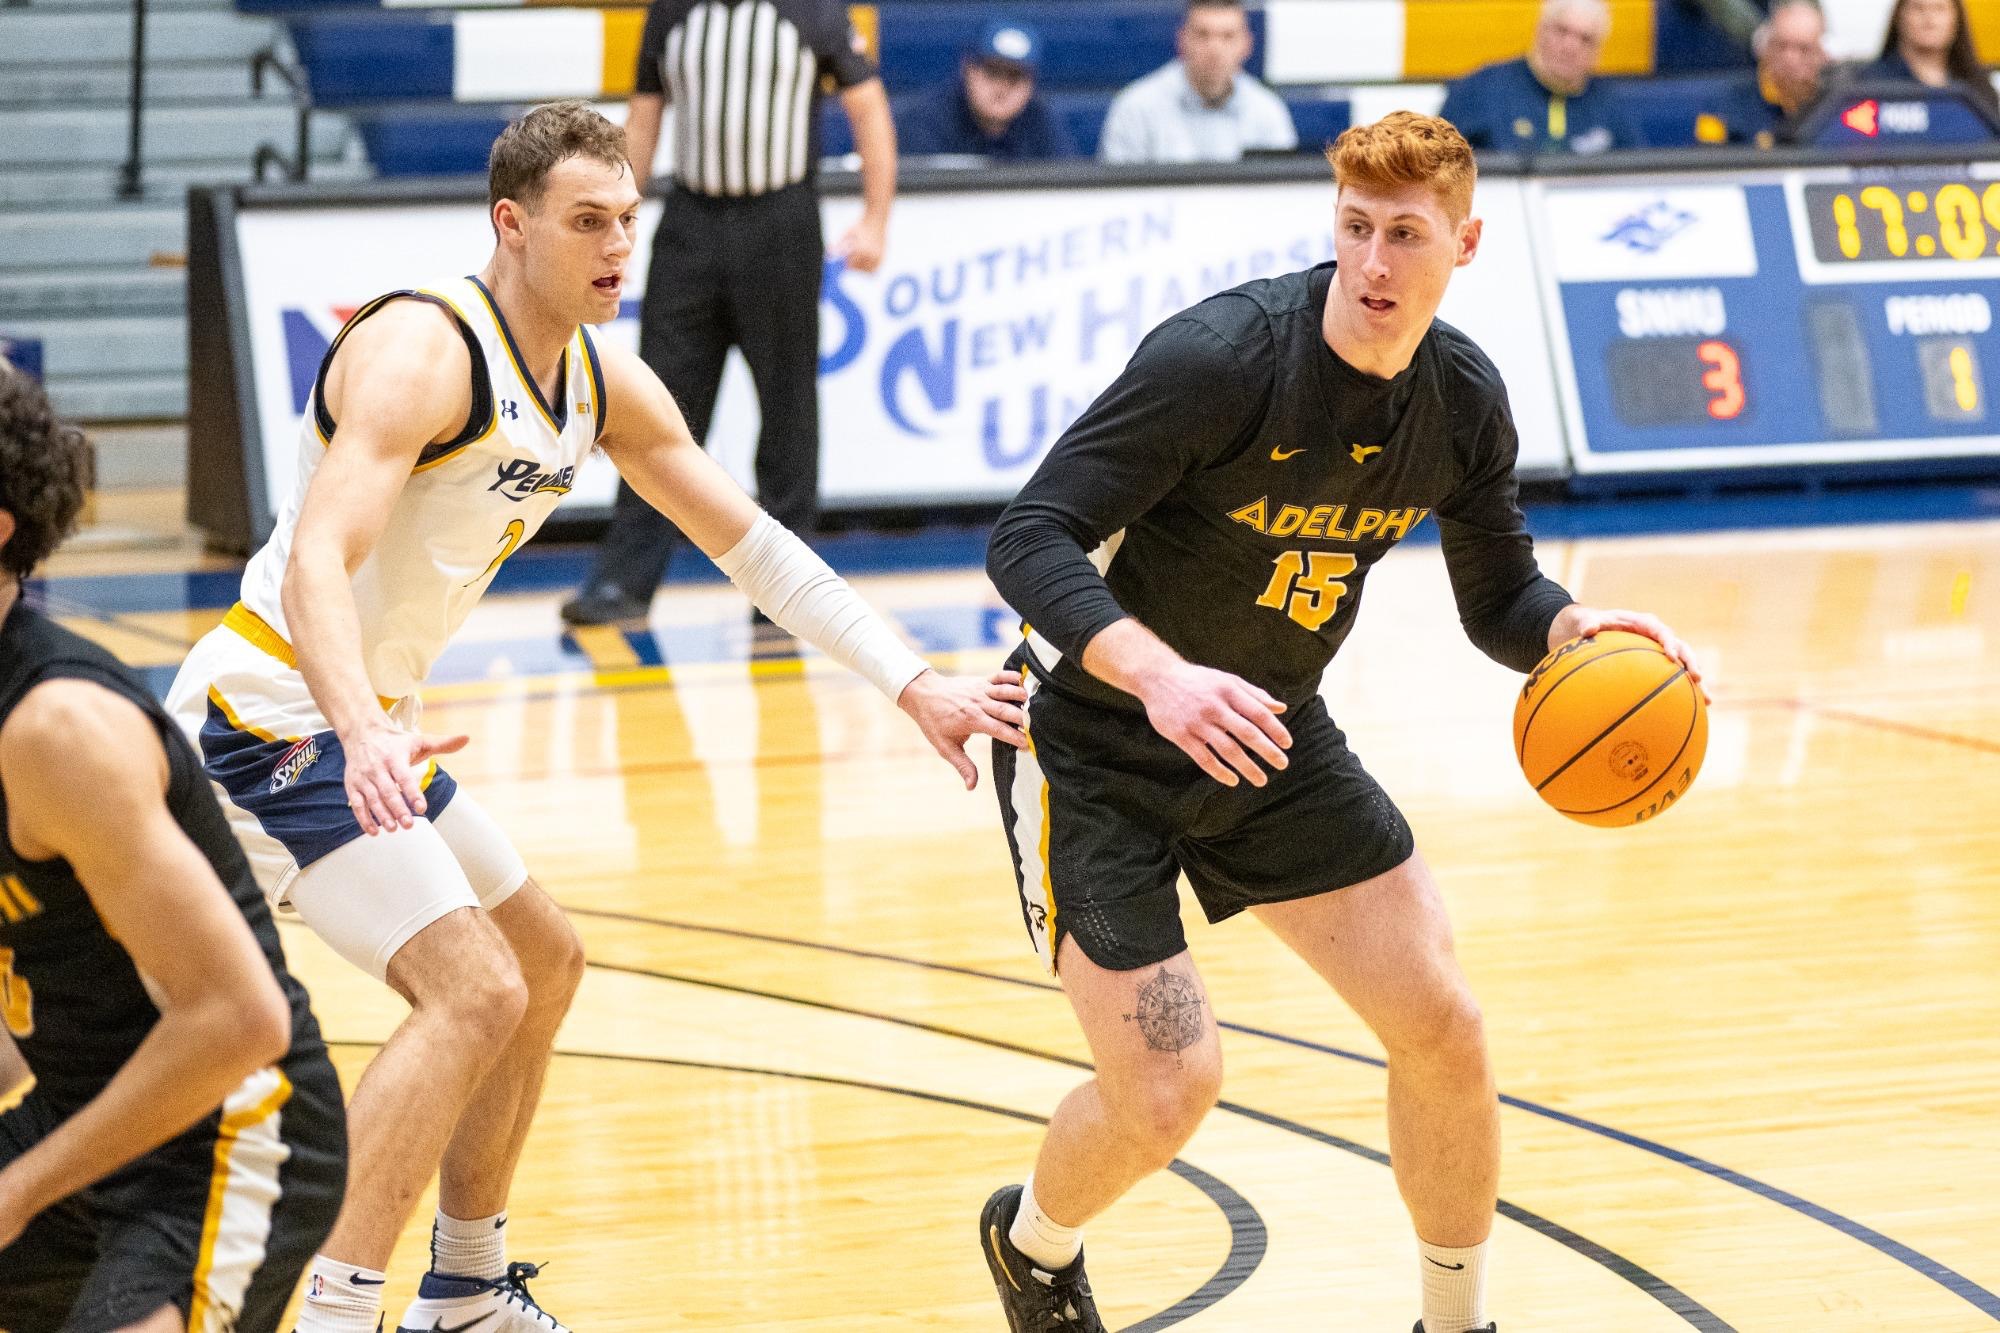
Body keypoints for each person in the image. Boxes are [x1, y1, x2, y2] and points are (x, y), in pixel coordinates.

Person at [164, 102, 1025, 1333]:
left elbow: (756, 548)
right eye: (586, 222)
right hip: (269, 717)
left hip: (363, 726)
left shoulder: (600, 376)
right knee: (471, 990)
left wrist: (913, 682)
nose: (616, 246)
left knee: (543, 961)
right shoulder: (423, 349)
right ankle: (336, 1308)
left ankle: (463, 1292)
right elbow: (315, 562)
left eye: (627, 220)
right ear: (509, 225)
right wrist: (360, 729)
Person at [977, 112, 1705, 1333]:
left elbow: (1500, 600)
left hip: (1266, 734)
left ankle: (1452, 1322)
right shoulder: (1221, 360)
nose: (1374, 263)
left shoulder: (1461, 401)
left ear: (1463, 245)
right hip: (1094, 741)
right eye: (1355, 229)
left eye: (1405, 236)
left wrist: (1567, 629)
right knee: (1167, 1089)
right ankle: (1035, 1241)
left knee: (1442, 1023)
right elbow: (1026, 535)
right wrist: (1159, 676)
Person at [0, 369, 347, 1333]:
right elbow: (36, 984)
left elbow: (243, 1017)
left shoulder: (57, 730)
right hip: (92, 1118)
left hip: (232, 1135)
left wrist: (19, 1188)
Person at [560, 0, 898, 626]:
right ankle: (623, 582)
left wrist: (876, 219)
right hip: (691, 222)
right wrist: (616, 223)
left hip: (782, 221)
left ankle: (787, 591)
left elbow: (867, 105)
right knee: (652, 406)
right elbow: (643, 120)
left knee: (788, 410)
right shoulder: (673, 10)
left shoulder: (811, 10)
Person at [1097, 0, 1297, 164]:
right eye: (1203, 35)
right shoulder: (1136, 108)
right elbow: (1117, 201)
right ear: (1182, 40)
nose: (1214, 49)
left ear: (1246, 45)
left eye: (1227, 36)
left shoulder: (1268, 110)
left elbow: (1281, 198)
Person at [1440, 0, 1640, 152]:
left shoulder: (1610, 104)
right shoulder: (1481, 89)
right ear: (1540, 30)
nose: (1570, 47)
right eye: (1562, 31)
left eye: (1585, 39)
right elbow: (1433, 167)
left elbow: (1637, 180)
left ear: (1598, 51)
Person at [895, 18, 1078, 161]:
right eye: (992, 73)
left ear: (1031, 84)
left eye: (1015, 77)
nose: (1002, 88)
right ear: (967, 69)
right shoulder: (925, 123)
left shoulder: (1041, 121)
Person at [1695, 0, 1829, 146]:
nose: (1790, 59)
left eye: (1804, 49)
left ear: (1823, 55)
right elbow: (1707, 162)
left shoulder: (1836, 105)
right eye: (1781, 46)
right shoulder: (1722, 107)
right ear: (1765, 49)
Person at [1861, 0, 2000, 117]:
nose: (1929, 18)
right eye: (1918, 8)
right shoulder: (1869, 83)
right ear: (1899, 16)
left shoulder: (1978, 87)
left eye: (1939, 9)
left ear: (1957, 19)